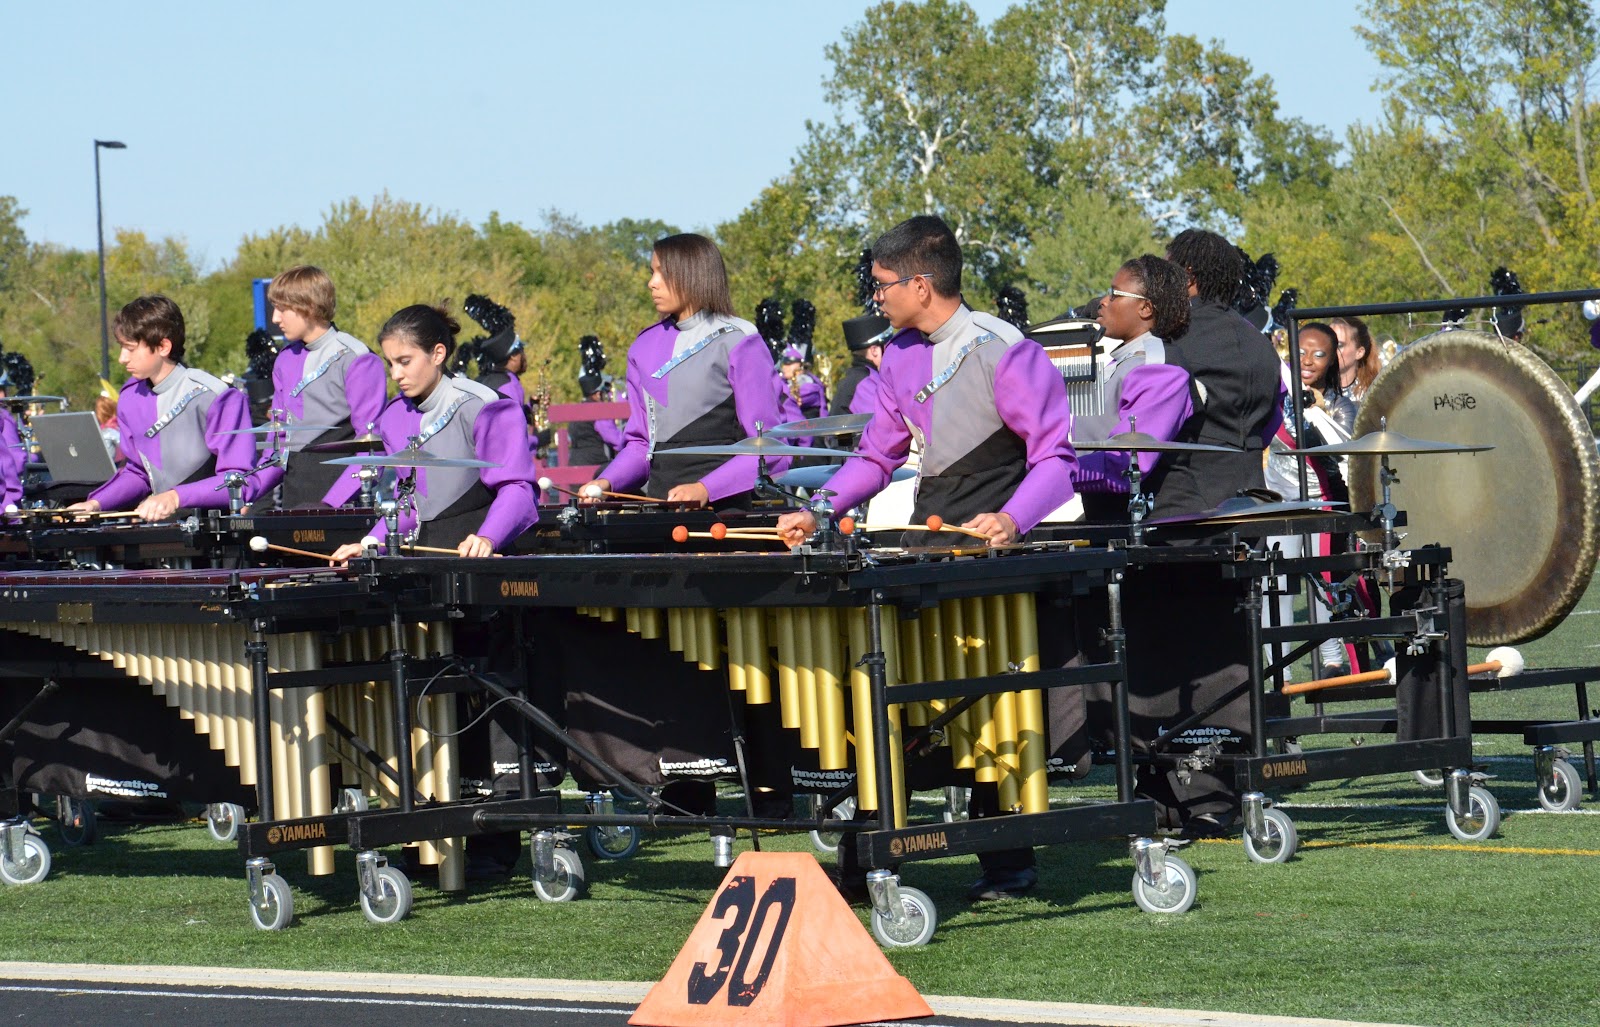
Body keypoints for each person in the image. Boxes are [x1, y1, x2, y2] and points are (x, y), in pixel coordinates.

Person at [776, 215, 1077, 901]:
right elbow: (876, 454)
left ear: (920, 283)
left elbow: (1056, 461)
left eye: (882, 286)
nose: (874, 298)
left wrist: (1011, 518)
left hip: (995, 549)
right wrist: (822, 508)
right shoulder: (900, 354)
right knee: (884, 704)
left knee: (989, 704)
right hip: (925, 538)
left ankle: (1008, 861)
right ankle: (873, 858)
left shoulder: (1007, 350)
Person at [583, 233, 784, 508]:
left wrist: (706, 488)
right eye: (651, 273)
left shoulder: (739, 339)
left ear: (693, 274)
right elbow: (642, 444)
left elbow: (769, 446)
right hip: (658, 511)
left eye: (662, 273)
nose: (651, 283)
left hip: (722, 515)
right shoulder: (643, 346)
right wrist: (606, 482)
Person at [329, 304, 538, 561]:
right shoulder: (394, 417)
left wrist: (488, 537)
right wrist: (370, 544)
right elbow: (412, 506)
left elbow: (518, 488)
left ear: (438, 354)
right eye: (390, 363)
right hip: (422, 559)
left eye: (405, 362)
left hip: (480, 559)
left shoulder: (484, 406)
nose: (395, 374)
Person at [69, 295, 254, 521]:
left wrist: (175, 497)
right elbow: (138, 473)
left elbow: (239, 480)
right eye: (121, 348)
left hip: (213, 533)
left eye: (130, 348)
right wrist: (96, 503)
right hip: (161, 533)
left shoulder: (215, 394)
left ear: (163, 346)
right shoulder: (130, 397)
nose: (121, 358)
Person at [1147, 229, 1284, 518]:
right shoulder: (1261, 344)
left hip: (1183, 510)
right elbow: (1272, 420)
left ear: (1188, 277)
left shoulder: (1167, 341)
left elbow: (1148, 432)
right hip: (1253, 505)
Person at [1264, 323, 1361, 676]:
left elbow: (1340, 448)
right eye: (1301, 351)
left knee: (1322, 582)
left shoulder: (1340, 405)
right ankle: (1279, 669)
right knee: (1275, 584)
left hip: (1321, 502)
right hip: (1277, 500)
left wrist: (1313, 408)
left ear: (1332, 360)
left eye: (1318, 354)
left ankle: (1331, 658)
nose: (1307, 360)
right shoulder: (1275, 395)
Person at [251, 266, 385, 509]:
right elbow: (276, 447)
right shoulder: (285, 359)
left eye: (282, 309)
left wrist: (329, 504)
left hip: (344, 504)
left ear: (308, 306)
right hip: (294, 499)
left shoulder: (356, 358)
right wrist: (248, 490)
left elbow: (372, 451)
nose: (275, 318)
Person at [1074, 255, 1194, 521]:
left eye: (1114, 294)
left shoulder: (1158, 367)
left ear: (1146, 309)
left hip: (1155, 533)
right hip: (1110, 520)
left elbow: (1126, 465)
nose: (1102, 302)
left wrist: (1053, 474)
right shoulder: (1126, 359)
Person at [828, 313, 892, 418]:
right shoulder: (866, 382)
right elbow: (884, 423)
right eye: (888, 346)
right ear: (874, 350)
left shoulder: (855, 377)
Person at [1328, 315, 1381, 409]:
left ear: (1359, 352)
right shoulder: (1312, 388)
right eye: (1328, 343)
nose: (1331, 350)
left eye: (1339, 345)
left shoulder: (1373, 394)